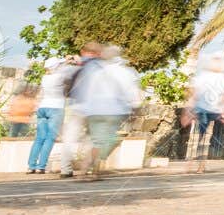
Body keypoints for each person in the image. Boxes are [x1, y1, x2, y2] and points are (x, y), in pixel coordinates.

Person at [72, 45, 141, 181]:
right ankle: (91, 169)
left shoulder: (96, 70)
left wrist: (82, 108)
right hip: (113, 110)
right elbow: (131, 92)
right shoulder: (125, 71)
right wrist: (135, 106)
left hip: (93, 109)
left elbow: (86, 89)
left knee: (96, 140)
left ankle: (89, 170)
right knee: (107, 140)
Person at [27, 55, 76, 174]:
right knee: (50, 138)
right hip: (56, 108)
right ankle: (41, 166)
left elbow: (58, 67)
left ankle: (31, 166)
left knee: (39, 139)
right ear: (57, 67)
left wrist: (63, 61)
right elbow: (68, 72)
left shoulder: (45, 77)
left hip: (43, 107)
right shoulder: (60, 77)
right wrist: (68, 60)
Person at [58, 43, 101, 178]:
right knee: (92, 140)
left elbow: (62, 79)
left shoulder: (76, 67)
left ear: (83, 51)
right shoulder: (101, 68)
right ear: (98, 54)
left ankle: (65, 169)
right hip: (94, 109)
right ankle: (89, 168)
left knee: (69, 138)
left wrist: (68, 61)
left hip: (77, 107)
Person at [185, 56, 224, 173]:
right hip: (215, 111)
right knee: (207, 139)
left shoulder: (201, 76)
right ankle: (201, 166)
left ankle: (190, 163)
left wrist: (188, 110)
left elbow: (193, 94)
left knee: (197, 137)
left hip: (201, 110)